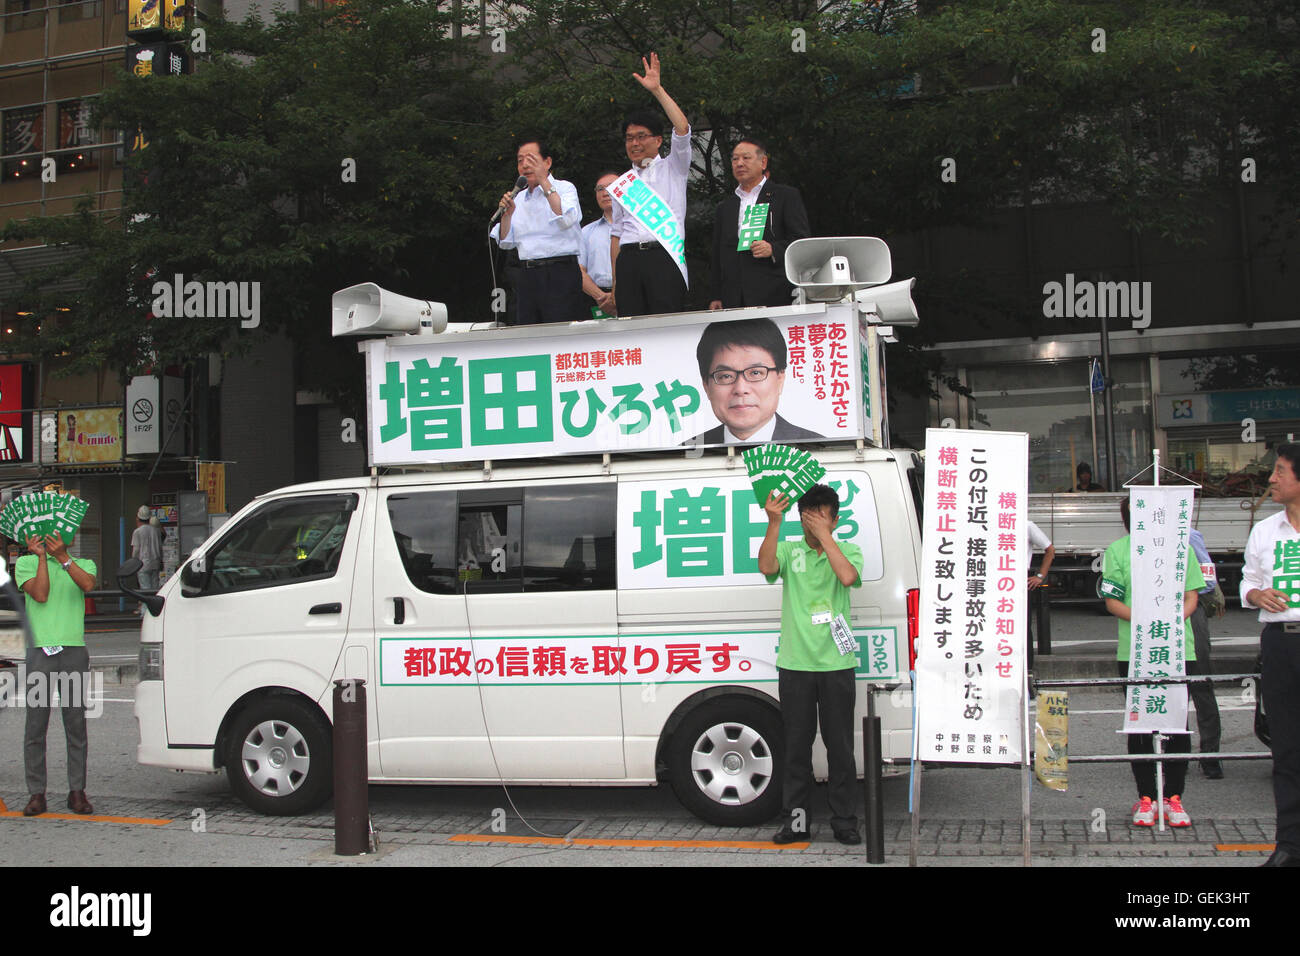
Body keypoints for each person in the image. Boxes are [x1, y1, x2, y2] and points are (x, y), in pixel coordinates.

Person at [758, 483, 864, 845]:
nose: (813, 527)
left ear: (835, 520)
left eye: (821, 520)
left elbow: (848, 577)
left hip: (836, 664)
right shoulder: (789, 549)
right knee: (797, 748)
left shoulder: (846, 549)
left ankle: (845, 820)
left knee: (840, 748)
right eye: (808, 520)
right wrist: (774, 523)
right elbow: (766, 566)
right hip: (796, 665)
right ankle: (796, 822)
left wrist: (826, 537)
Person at [1101, 497, 1204, 828]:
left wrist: (1172, 620)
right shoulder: (1118, 551)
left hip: (1176, 648)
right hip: (1135, 649)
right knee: (1141, 723)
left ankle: (1174, 797)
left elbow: (1192, 595)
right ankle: (1146, 797)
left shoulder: (1181, 549)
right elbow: (1112, 601)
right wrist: (1145, 621)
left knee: (1176, 722)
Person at [1241, 442, 1300, 866]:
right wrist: (1257, 593)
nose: (1272, 479)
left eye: (1280, 471)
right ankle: (1290, 847)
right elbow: (1247, 581)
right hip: (1280, 644)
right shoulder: (1265, 530)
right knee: (1287, 749)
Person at [17, 530, 98, 816]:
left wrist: (62, 557)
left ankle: (77, 791)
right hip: (41, 650)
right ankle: (36, 793)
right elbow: (40, 594)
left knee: (75, 724)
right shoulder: (25, 564)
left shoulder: (84, 563)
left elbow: (88, 585)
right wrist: (41, 558)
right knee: (36, 726)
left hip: (74, 649)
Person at [609, 53, 690, 317]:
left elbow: (682, 128)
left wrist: (657, 90)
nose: (634, 143)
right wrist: (615, 281)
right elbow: (617, 234)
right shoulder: (623, 184)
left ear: (657, 140)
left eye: (641, 136)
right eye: (629, 138)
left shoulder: (674, 167)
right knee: (632, 330)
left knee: (668, 325)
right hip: (629, 261)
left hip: (663, 256)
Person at [489, 137, 585, 325]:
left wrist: (543, 181)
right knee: (528, 331)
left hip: (560, 272)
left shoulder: (565, 188)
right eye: (520, 160)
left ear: (547, 162)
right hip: (527, 273)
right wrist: (506, 216)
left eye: (531, 159)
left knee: (561, 330)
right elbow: (505, 242)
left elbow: (567, 219)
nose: (525, 165)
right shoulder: (518, 196)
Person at [684, 318, 822, 446]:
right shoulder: (685, 456)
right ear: (706, 386)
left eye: (755, 373)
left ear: (780, 380)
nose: (740, 389)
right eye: (726, 376)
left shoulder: (820, 450)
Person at [708, 138, 810, 310]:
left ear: (763, 162)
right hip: (733, 297)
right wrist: (716, 295)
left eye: (746, 158)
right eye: (735, 159)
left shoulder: (785, 196)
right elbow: (717, 254)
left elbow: (801, 241)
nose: (739, 163)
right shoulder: (725, 207)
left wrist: (773, 249)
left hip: (774, 292)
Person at [1188, 526, 1224, 778]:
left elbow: (1208, 576)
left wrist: (1187, 592)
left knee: (1200, 682)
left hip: (1191, 610)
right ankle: (1171, 752)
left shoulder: (1189, 535)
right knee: (1167, 687)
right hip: (1156, 612)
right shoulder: (1141, 537)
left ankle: (1210, 754)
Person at [579, 172, 619, 318]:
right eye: (600, 189)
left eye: (611, 187)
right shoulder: (586, 232)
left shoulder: (637, 229)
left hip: (631, 294)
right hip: (596, 300)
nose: (605, 193)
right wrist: (601, 297)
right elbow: (579, 270)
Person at [131, 504, 163, 613]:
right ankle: (154, 612)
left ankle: (145, 613)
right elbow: (160, 547)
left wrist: (133, 563)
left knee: (145, 590)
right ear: (149, 518)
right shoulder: (156, 531)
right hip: (155, 562)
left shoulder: (137, 532)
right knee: (154, 590)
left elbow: (136, 550)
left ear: (138, 518)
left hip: (143, 564)